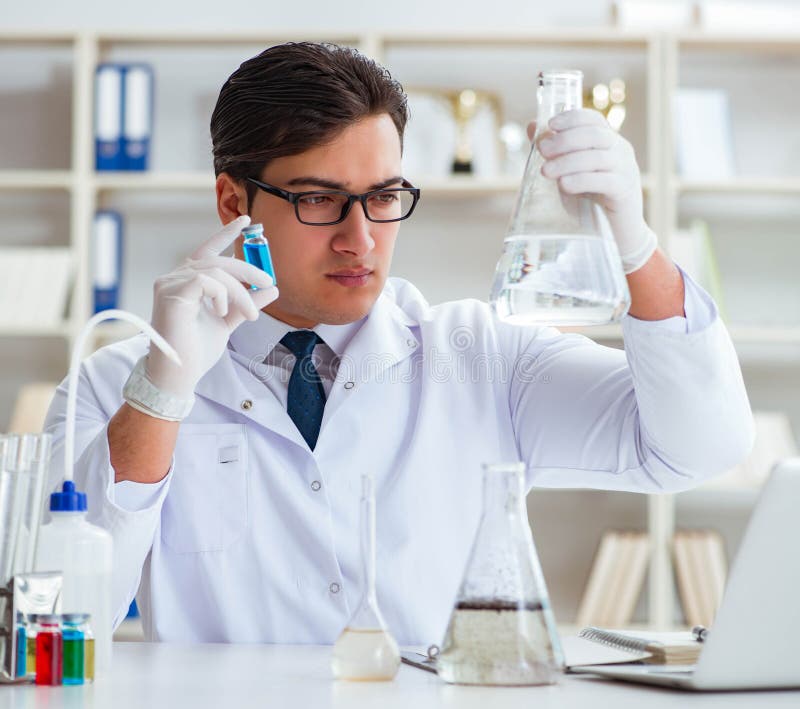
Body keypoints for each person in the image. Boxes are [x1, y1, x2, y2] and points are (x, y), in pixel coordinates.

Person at [44, 42, 753, 645]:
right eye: (319, 199)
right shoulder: (115, 386)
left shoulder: (485, 356)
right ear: (234, 202)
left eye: (384, 196)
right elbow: (66, 616)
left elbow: (697, 447)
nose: (361, 238)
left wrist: (637, 245)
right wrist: (164, 391)